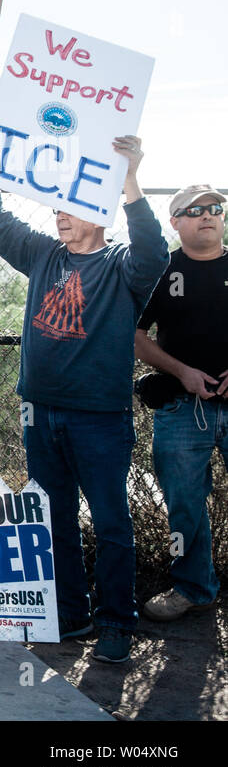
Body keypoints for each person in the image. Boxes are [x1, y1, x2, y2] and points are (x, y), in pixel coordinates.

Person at [0, 107, 168, 664]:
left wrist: (130, 179)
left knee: (110, 521)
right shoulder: (42, 254)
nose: (58, 213)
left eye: (71, 206)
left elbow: (154, 251)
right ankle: (71, 612)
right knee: (54, 518)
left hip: (100, 418)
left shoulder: (123, 265)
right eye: (56, 204)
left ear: (99, 212)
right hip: (41, 412)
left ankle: (117, 622)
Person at [133, 184, 227, 621]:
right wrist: (182, 372)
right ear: (176, 222)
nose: (206, 215)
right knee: (183, 505)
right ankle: (192, 587)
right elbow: (135, 337)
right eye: (194, 210)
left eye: (214, 207)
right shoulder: (162, 270)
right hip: (181, 407)